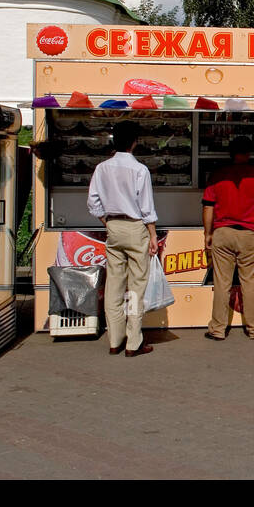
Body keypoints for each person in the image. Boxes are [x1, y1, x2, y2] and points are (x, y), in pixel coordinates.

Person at [86, 120, 160, 357]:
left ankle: (114, 340)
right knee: (137, 285)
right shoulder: (140, 170)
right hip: (136, 226)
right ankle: (133, 342)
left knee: (114, 284)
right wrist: (153, 235)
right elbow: (147, 207)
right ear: (134, 142)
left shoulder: (102, 168)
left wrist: (107, 223)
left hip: (114, 226)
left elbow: (93, 203)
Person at [202, 136, 254, 340]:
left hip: (222, 233)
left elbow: (208, 206)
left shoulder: (218, 174)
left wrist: (208, 233)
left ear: (230, 153)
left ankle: (217, 329)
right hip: (249, 234)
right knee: (250, 283)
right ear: (249, 153)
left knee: (222, 283)